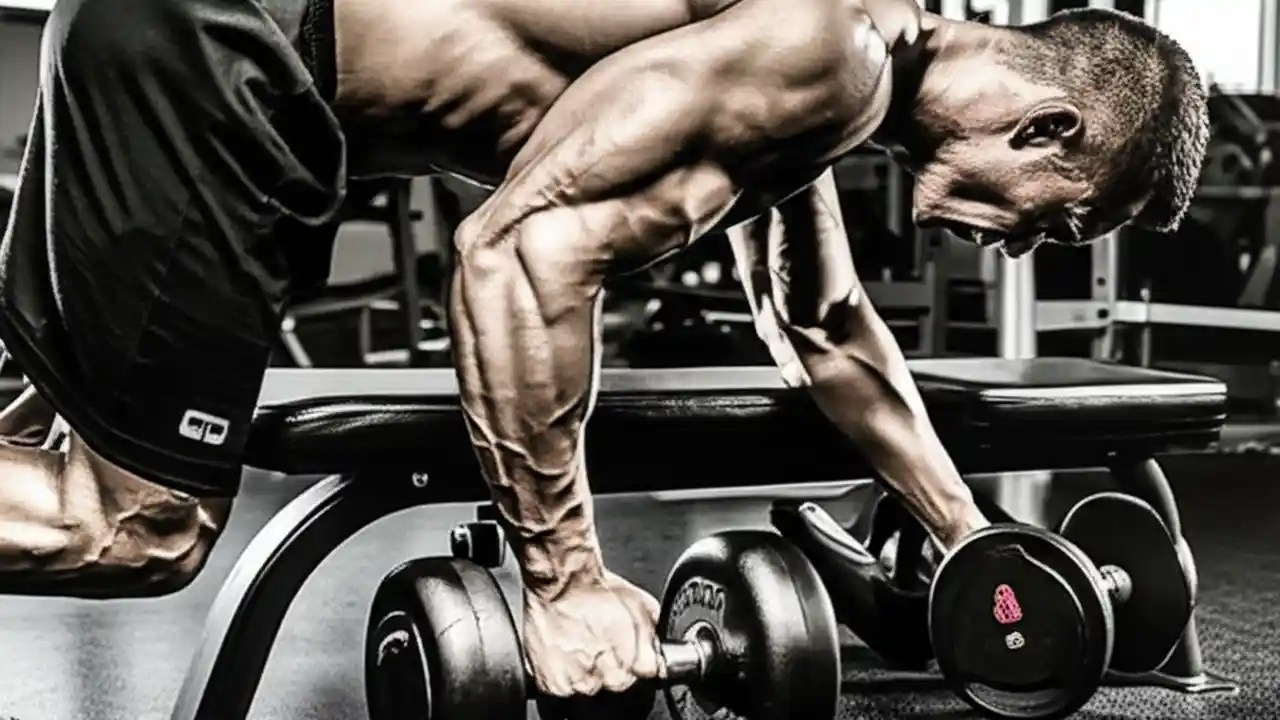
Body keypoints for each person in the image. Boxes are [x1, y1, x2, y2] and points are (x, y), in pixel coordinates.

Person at [0, 0, 1207, 700]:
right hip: (228, 53)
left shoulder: (843, 61)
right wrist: (563, 582)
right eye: (1054, 217)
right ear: (1046, 123)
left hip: (225, 57)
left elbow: (825, 328)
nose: (1018, 252)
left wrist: (965, 537)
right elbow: (514, 256)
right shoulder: (825, 59)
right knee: (128, 523)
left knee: (27, 454)